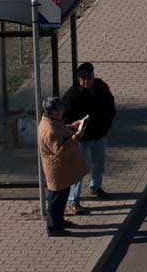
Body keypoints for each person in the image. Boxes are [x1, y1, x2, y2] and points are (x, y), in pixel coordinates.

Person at [63, 62, 116, 210]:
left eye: (89, 78)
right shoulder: (72, 95)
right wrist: (75, 127)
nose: (87, 81)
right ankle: (73, 200)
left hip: (100, 134)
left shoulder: (100, 87)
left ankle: (96, 187)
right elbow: (65, 118)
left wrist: (109, 120)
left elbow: (110, 104)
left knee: (99, 164)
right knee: (79, 169)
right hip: (82, 140)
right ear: (79, 79)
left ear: (93, 76)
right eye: (83, 79)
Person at [37, 96, 88, 236]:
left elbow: (60, 129)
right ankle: (53, 228)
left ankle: (59, 221)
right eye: (58, 111)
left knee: (62, 197)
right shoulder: (50, 130)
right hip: (56, 171)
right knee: (56, 200)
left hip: (61, 170)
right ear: (51, 112)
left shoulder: (51, 121)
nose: (61, 112)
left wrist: (71, 126)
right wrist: (76, 137)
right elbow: (60, 150)